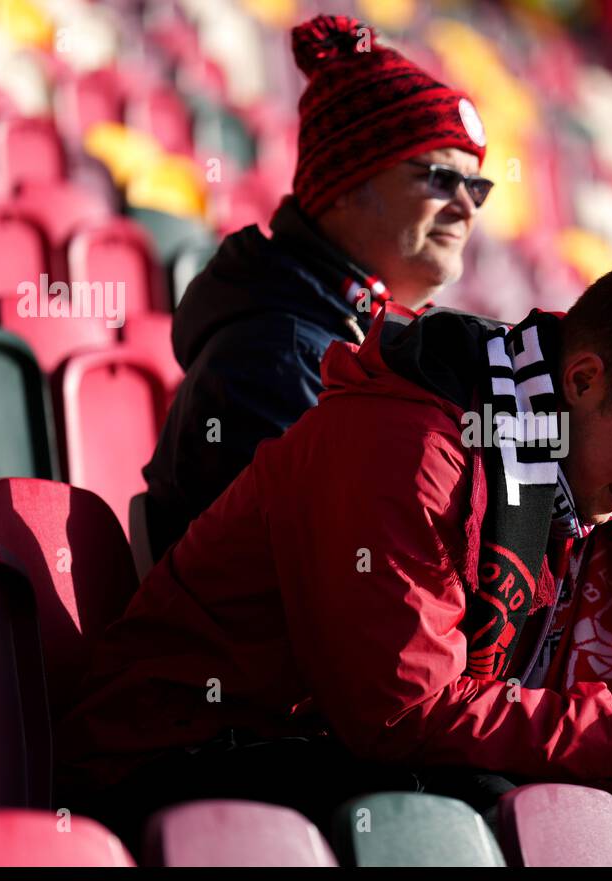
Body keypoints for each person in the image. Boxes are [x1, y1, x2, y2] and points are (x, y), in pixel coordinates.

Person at [59, 258, 612, 849]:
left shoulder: (551, 464)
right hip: (170, 761)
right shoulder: (410, 448)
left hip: (305, 749)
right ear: (581, 381)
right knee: (487, 818)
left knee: (552, 813)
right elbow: (400, 714)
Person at [140, 14, 491, 560]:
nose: (467, 207)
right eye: (440, 179)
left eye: (477, 186)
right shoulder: (277, 355)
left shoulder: (345, 336)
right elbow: (325, 581)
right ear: (349, 187)